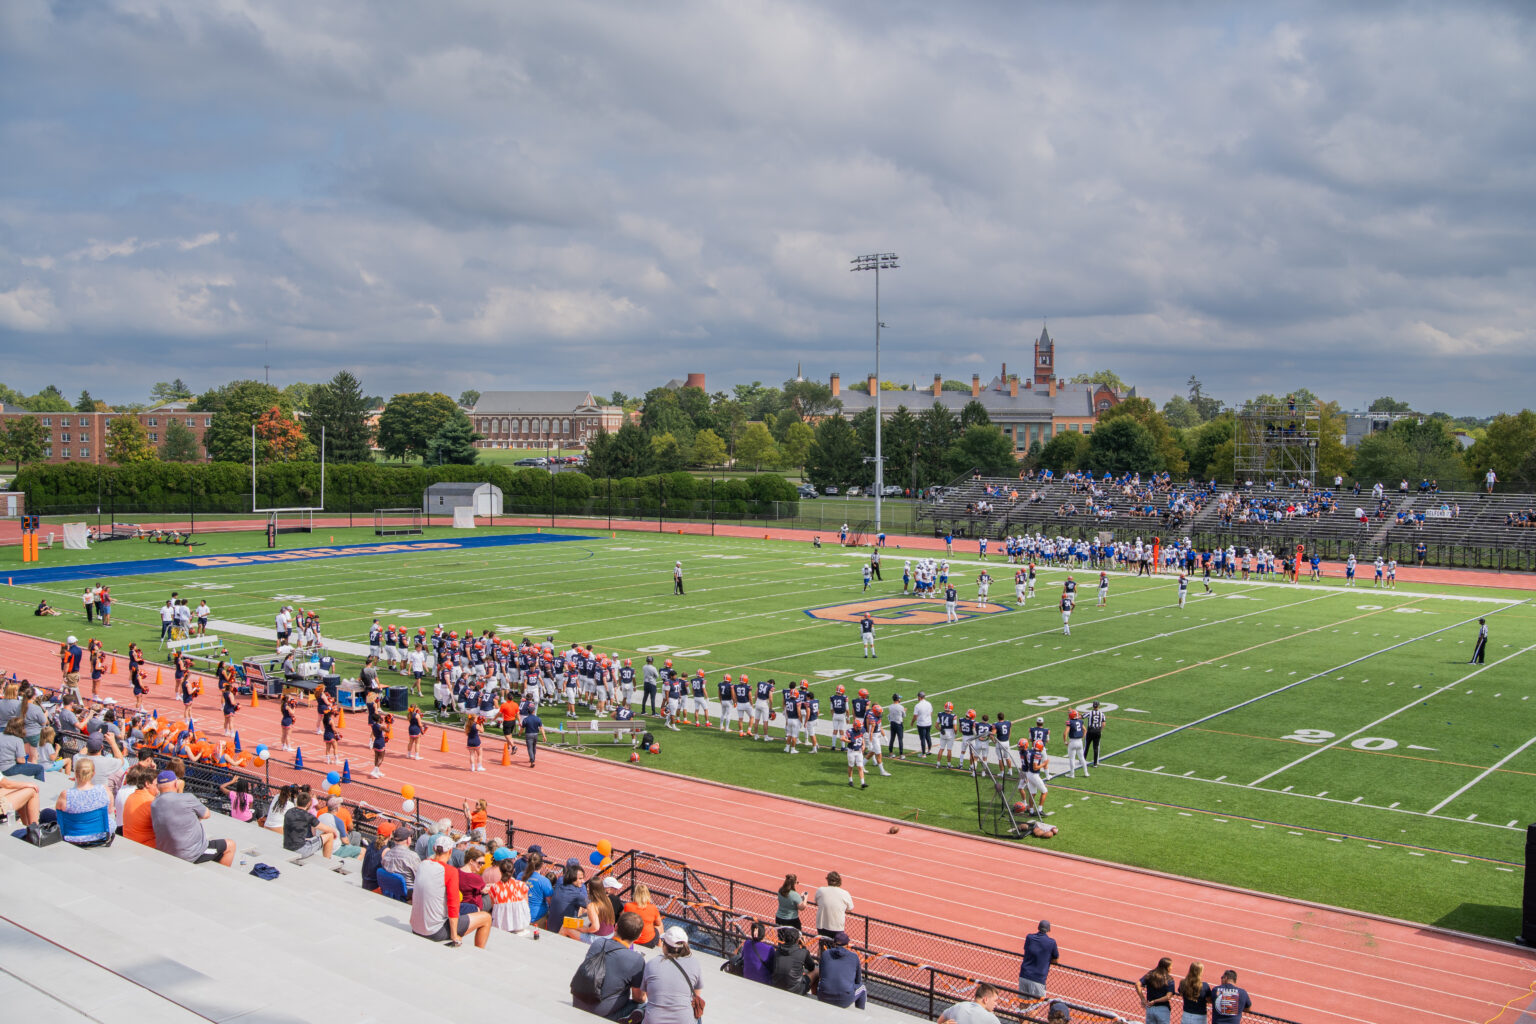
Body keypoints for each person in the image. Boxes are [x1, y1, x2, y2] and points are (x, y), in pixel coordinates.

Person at [411, 834, 493, 948]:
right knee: (486, 918)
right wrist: (454, 935)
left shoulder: (423, 864)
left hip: (416, 927)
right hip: (435, 931)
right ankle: (479, 952)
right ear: (450, 851)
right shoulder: (449, 871)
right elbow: (453, 904)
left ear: (434, 849)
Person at [571, 909, 647, 1020]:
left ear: (616, 927)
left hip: (578, 1002)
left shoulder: (598, 943)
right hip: (603, 1012)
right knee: (644, 1007)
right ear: (638, 936)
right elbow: (639, 997)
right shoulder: (636, 960)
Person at [151, 778, 235, 866]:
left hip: (164, 850)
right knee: (230, 845)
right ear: (176, 785)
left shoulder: (154, 803)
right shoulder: (187, 798)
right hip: (190, 854)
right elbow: (206, 814)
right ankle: (221, 877)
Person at [639, 926, 703, 1024]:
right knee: (697, 1016)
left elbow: (647, 995)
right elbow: (696, 997)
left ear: (665, 945)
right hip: (684, 1021)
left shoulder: (652, 963)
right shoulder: (695, 964)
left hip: (653, 1020)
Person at [55, 757, 113, 845]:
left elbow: (59, 816)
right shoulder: (104, 790)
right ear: (93, 773)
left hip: (72, 837)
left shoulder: (66, 795)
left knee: (46, 814)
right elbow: (109, 811)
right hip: (100, 836)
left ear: (76, 774)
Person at [283, 787, 339, 860]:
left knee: (322, 835)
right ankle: (327, 860)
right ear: (309, 803)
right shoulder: (308, 816)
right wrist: (334, 831)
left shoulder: (289, 811)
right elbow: (325, 828)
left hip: (287, 845)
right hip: (300, 850)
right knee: (329, 835)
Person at [816, 932, 866, 1009]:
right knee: (862, 988)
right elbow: (858, 981)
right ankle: (859, 1015)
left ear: (834, 943)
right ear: (847, 945)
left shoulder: (825, 953)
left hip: (823, 996)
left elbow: (821, 975)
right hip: (844, 1000)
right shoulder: (854, 957)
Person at [545, 858, 590, 935]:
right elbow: (593, 906)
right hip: (563, 931)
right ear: (572, 878)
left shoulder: (560, 884)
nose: (583, 881)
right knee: (587, 918)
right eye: (580, 879)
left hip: (550, 925)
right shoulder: (577, 894)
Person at [1018, 920, 1058, 998]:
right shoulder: (1051, 942)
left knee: (1022, 1002)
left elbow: (1026, 950)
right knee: (1036, 1005)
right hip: (1038, 978)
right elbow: (1056, 959)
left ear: (1038, 927)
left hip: (1024, 975)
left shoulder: (1029, 937)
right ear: (1049, 930)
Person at [814, 871, 854, 939]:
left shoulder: (820, 890)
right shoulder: (845, 893)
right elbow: (850, 909)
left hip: (822, 925)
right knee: (837, 947)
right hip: (837, 927)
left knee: (823, 946)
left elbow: (817, 902)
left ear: (828, 880)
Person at [623, 881, 664, 948]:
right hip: (648, 941)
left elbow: (623, 919)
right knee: (660, 926)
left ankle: (660, 945)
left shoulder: (628, 906)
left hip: (630, 938)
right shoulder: (653, 907)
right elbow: (658, 923)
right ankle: (660, 946)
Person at [1137, 957, 1176, 1024]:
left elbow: (1137, 984)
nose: (1172, 968)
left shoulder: (1151, 974)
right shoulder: (1169, 980)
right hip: (1163, 1009)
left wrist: (1143, 999)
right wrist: (1155, 1001)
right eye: (1171, 966)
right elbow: (1168, 996)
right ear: (1167, 967)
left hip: (1150, 1008)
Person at [738, 919, 775, 985]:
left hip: (747, 976)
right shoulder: (770, 949)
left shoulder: (747, 943)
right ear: (763, 934)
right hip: (763, 981)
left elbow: (743, 956)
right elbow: (773, 966)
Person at [1082, 701, 1106, 767]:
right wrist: (1100, 730)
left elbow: (1082, 717)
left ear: (1093, 706)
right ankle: (1095, 763)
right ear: (1098, 706)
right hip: (1097, 731)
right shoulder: (1102, 714)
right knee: (1096, 747)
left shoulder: (1090, 713)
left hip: (1090, 730)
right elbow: (1103, 724)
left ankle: (1083, 760)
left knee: (1086, 746)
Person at [912, 691, 933, 757]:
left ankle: (923, 753)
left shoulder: (917, 706)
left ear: (920, 697)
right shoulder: (929, 704)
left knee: (922, 738)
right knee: (928, 736)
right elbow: (931, 713)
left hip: (921, 724)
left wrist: (912, 722)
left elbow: (915, 716)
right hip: (928, 723)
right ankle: (929, 750)